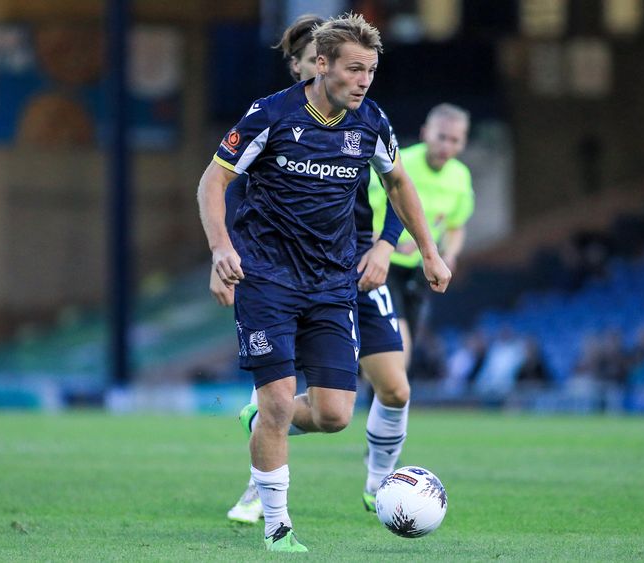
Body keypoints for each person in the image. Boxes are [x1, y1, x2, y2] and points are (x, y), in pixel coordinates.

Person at [196, 13, 451, 552]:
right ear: (321, 64)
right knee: (278, 403)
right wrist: (221, 248)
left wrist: (429, 251)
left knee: (335, 415)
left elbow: (398, 182)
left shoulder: (371, 122)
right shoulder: (272, 115)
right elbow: (214, 180)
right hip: (267, 279)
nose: (364, 81)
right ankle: (277, 527)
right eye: (354, 69)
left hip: (334, 285)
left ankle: (266, 421)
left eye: (371, 71)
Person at [369, 103, 475, 367]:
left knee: (401, 356)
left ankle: (373, 385)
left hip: (419, 271)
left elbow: (455, 225)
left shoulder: (460, 178)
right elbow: (361, 213)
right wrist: (387, 242)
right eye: (441, 137)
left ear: (463, 142)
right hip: (381, 266)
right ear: (425, 132)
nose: (446, 146)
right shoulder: (397, 164)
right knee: (398, 348)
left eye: (454, 140)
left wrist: (449, 254)